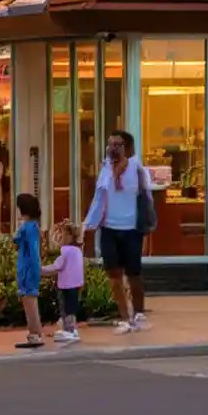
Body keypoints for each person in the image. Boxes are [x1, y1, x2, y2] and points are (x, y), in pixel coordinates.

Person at [84, 130, 153, 334]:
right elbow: (99, 198)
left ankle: (138, 314)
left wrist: (147, 224)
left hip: (131, 229)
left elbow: (147, 199)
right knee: (113, 274)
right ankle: (125, 318)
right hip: (109, 229)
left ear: (128, 148)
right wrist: (89, 224)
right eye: (110, 144)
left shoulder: (137, 169)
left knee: (133, 274)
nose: (112, 148)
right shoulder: (105, 169)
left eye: (117, 145)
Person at [43, 220, 85, 344]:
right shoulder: (77, 251)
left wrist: (40, 270)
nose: (60, 237)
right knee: (71, 307)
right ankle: (72, 329)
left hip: (67, 285)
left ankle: (69, 330)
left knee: (66, 308)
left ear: (71, 236)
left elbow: (56, 267)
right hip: (76, 284)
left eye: (63, 234)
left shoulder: (66, 251)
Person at [13, 193, 44, 349]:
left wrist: (36, 268)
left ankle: (34, 333)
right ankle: (35, 332)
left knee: (29, 300)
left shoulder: (28, 228)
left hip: (28, 268)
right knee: (29, 300)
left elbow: (32, 250)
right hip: (27, 267)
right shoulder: (31, 227)